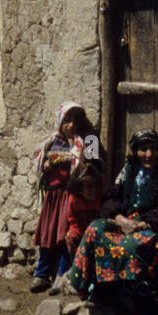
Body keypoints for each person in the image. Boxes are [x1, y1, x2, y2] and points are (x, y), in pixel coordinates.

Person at [69, 127, 158, 315]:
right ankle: (99, 291)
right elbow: (112, 196)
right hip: (127, 221)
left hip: (156, 225)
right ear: (136, 151)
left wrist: (142, 223)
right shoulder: (129, 169)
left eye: (152, 149)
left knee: (132, 247)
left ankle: (146, 311)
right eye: (143, 149)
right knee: (95, 230)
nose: (148, 154)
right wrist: (119, 218)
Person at [30, 102, 101, 295]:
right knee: (47, 234)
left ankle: (61, 276)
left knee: (65, 236)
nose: (71, 126)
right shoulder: (52, 141)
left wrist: (82, 158)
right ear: (60, 121)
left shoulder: (87, 140)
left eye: (75, 122)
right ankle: (42, 273)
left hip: (70, 197)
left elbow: (95, 166)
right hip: (53, 196)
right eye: (66, 121)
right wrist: (46, 164)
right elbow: (40, 160)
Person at [65, 160, 105, 259]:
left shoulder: (100, 199)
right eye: (89, 187)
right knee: (71, 237)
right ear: (79, 189)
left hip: (96, 234)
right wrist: (76, 233)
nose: (94, 190)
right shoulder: (74, 200)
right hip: (80, 233)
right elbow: (73, 219)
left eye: (96, 186)